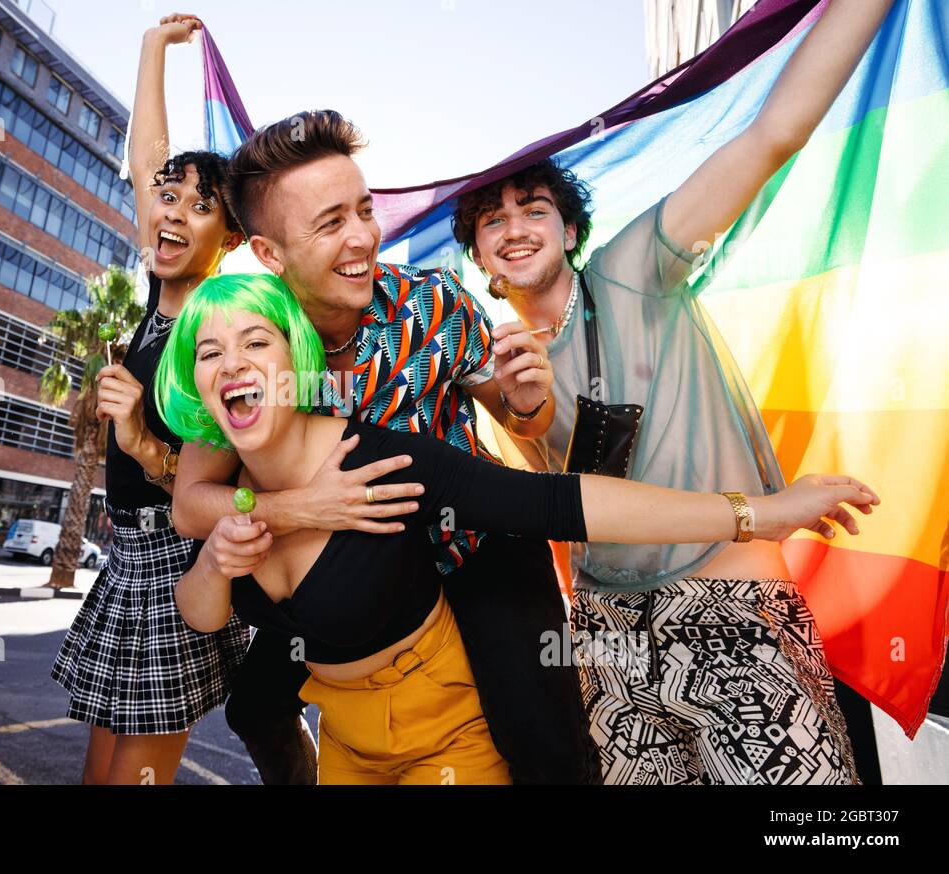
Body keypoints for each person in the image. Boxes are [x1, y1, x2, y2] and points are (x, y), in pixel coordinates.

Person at [158, 272, 879, 784]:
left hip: (445, 727)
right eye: (210, 353)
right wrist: (222, 558)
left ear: (295, 357)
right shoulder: (229, 491)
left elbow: (555, 503)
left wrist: (754, 512)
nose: (233, 365)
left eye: (255, 342)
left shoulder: (381, 459)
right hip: (345, 740)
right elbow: (201, 611)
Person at [449, 0, 894, 784]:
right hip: (605, 632)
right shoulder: (492, 361)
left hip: (727, 604)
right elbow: (553, 469)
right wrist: (519, 405)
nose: (514, 225)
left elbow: (771, 135)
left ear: (572, 232)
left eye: (534, 208)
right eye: (492, 220)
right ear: (481, 259)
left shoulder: (634, 271)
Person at [172, 109, 598, 784]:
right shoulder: (247, 343)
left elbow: (521, 425)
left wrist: (527, 401)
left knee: (543, 746)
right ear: (269, 255)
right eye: (330, 222)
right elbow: (191, 505)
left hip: (471, 552)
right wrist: (303, 508)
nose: (363, 237)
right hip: (350, 573)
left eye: (363, 211)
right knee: (253, 707)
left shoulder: (433, 305)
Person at [49, 14, 249, 785]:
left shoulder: (217, 330)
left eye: (200, 206)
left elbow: (219, 491)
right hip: (127, 552)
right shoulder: (157, 296)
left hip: (176, 561)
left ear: (227, 239)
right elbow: (144, 160)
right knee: (100, 765)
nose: (170, 210)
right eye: (169, 197)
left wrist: (140, 444)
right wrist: (151, 48)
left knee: (134, 775)